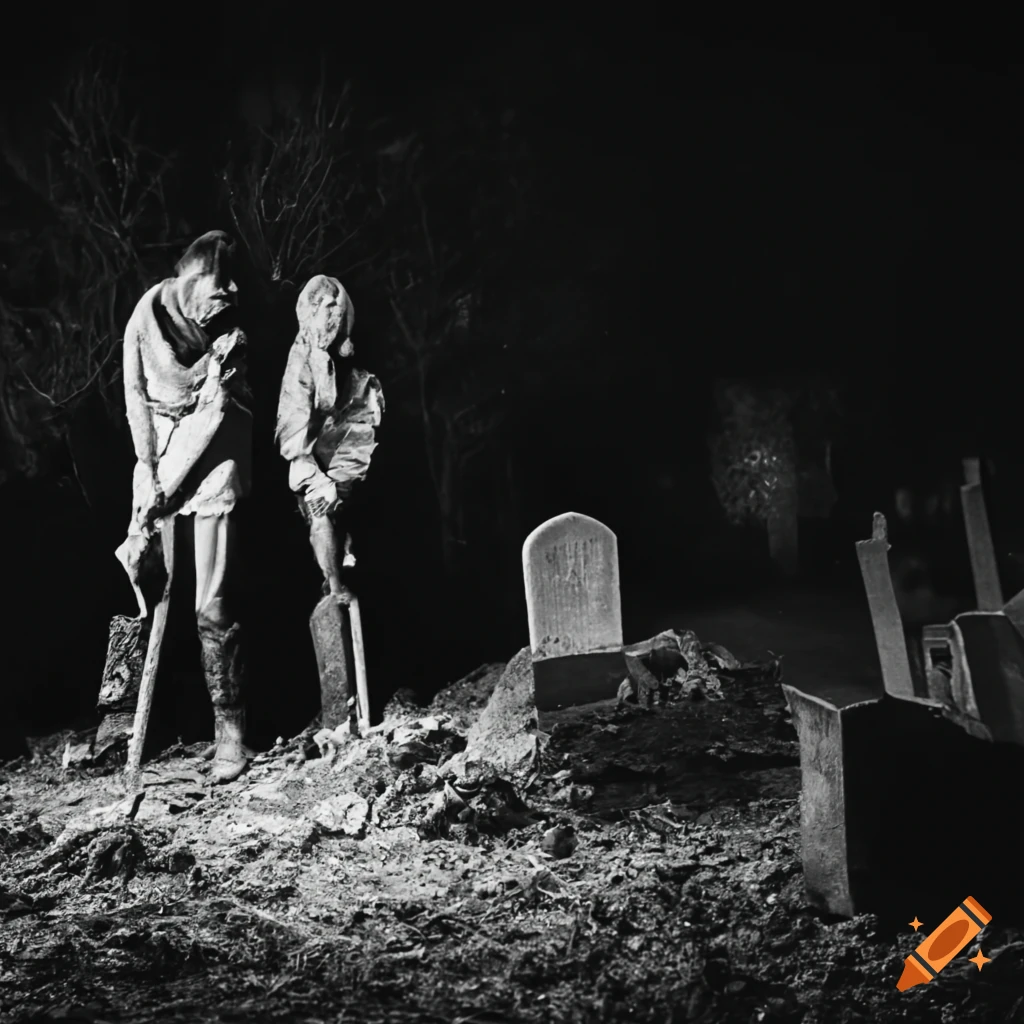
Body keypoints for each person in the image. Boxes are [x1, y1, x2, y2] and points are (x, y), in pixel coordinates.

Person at [112, 230, 254, 784]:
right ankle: (120, 725)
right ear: (190, 281)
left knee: (210, 605)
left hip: (214, 451)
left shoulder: (231, 336)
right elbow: (135, 400)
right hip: (161, 453)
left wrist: (167, 489)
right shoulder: (144, 316)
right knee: (141, 580)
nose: (232, 292)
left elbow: (213, 418)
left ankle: (231, 734)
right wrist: (146, 476)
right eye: (221, 284)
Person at [274, 275, 384, 595]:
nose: (332, 320)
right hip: (310, 459)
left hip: (343, 453)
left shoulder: (347, 360)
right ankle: (334, 587)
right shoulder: (303, 361)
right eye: (327, 312)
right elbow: (293, 434)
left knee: (338, 517)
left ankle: (341, 573)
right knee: (321, 512)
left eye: (337, 313)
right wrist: (321, 484)